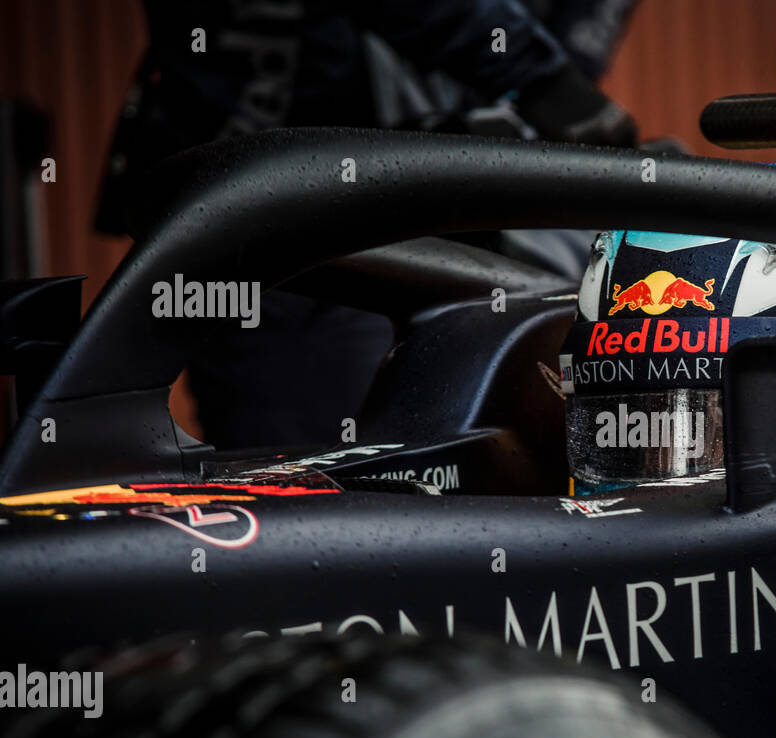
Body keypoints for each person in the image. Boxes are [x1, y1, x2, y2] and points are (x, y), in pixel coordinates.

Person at [96, 0, 640, 449]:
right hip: (285, 208)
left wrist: (548, 81)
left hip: (361, 197)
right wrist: (541, 78)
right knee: (316, 470)